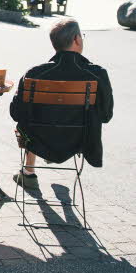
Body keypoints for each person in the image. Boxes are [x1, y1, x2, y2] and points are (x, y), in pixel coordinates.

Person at [10, 17, 113, 190]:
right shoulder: (97, 74)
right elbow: (106, 115)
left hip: (39, 139)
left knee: (30, 117)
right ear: (77, 39)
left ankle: (28, 172)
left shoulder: (34, 74)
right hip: (80, 139)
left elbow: (16, 113)